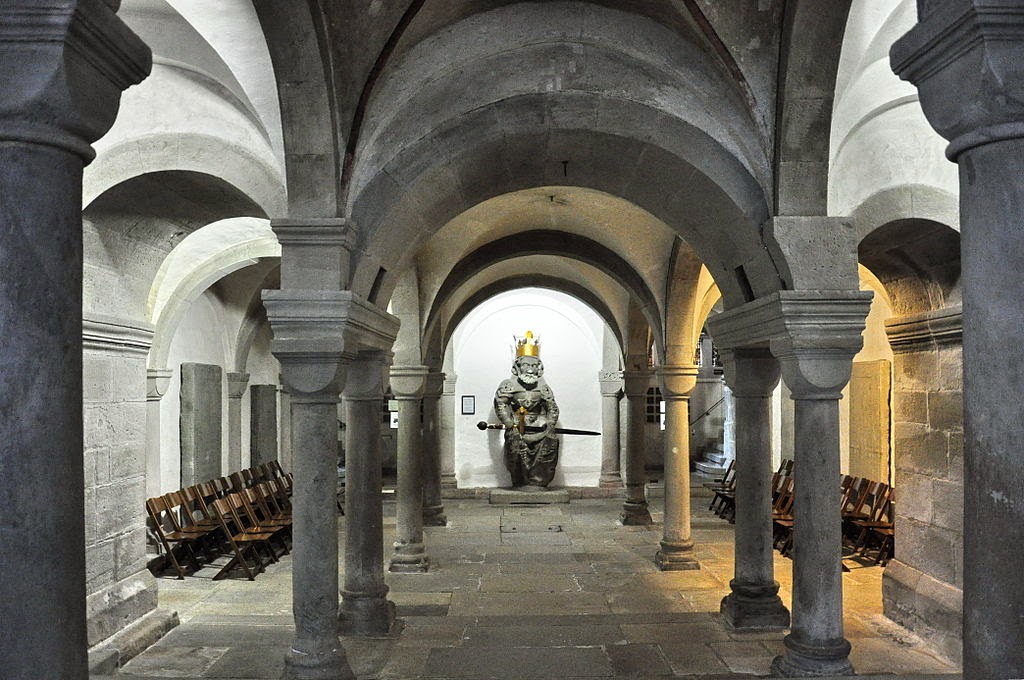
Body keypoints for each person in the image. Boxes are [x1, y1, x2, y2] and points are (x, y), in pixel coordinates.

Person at [493, 332, 560, 489]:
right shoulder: (508, 385)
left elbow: (552, 407)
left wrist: (549, 423)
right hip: (517, 425)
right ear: (517, 367)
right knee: (514, 442)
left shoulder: (543, 387)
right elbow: (501, 403)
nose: (530, 370)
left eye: (533, 366)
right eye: (526, 365)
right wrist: (510, 423)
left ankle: (539, 481)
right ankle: (520, 480)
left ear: (539, 368)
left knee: (551, 440)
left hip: (539, 427)